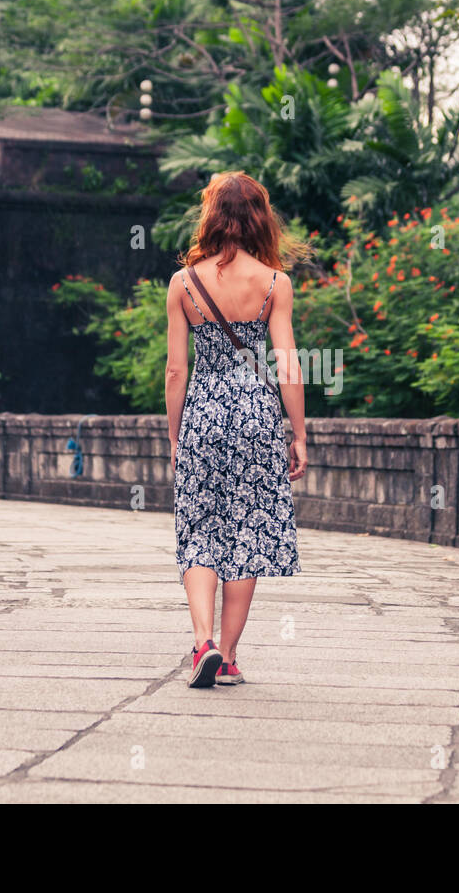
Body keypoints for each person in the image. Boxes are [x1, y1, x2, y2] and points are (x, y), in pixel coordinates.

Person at [165, 171, 309, 688]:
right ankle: (225, 656)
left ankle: (201, 640)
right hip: (255, 415)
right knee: (245, 532)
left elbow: (176, 369)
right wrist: (299, 433)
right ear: (259, 219)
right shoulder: (274, 282)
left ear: (211, 217)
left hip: (203, 412)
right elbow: (287, 364)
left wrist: (177, 437)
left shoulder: (184, 284)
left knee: (200, 528)